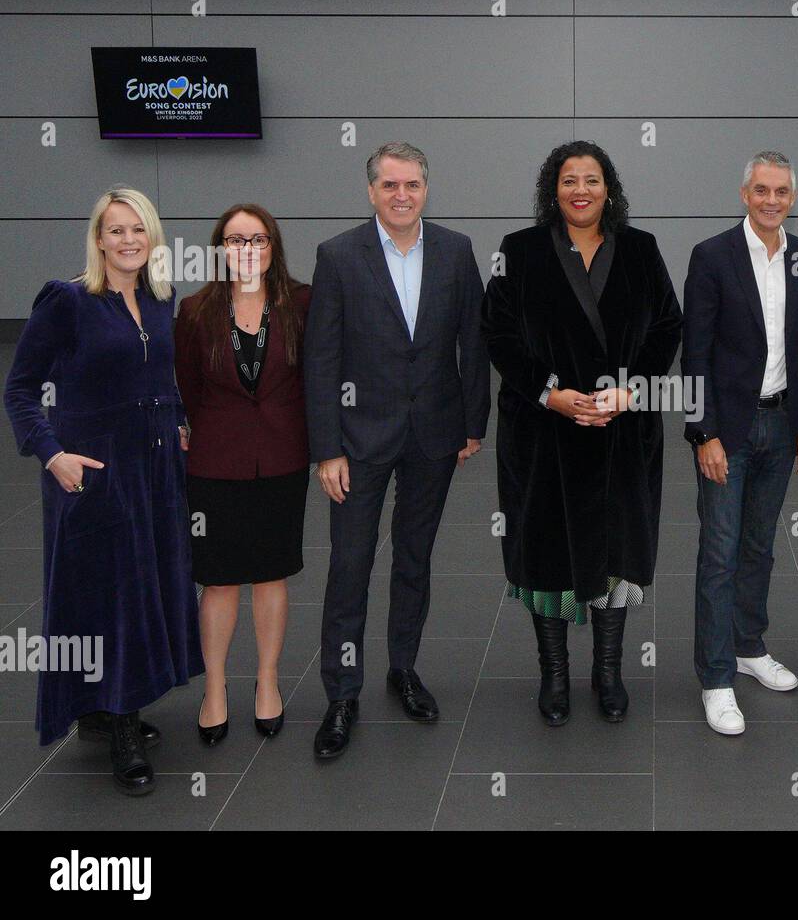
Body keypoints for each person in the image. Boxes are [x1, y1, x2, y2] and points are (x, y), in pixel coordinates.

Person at [3, 187, 202, 795]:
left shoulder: (161, 298)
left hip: (154, 472)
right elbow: (20, 390)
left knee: (144, 585)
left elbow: (163, 376)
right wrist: (52, 455)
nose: (128, 240)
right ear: (98, 238)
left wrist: (180, 420)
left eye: (138, 229)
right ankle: (122, 725)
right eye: (116, 230)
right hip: (91, 472)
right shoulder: (66, 301)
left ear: (152, 236)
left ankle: (101, 706)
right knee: (114, 595)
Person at [482, 140, 682, 726]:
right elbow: (498, 332)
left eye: (591, 180)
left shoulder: (641, 249)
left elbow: (667, 325)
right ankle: (553, 673)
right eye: (569, 180)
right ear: (554, 189)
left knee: (618, 548)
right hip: (544, 433)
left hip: (623, 430)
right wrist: (551, 393)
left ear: (608, 189)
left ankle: (608, 671)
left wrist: (630, 391)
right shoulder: (518, 250)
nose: (580, 190)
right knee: (545, 549)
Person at [304, 142, 490, 758]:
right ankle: (342, 693)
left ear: (426, 189)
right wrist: (326, 449)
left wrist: (472, 422)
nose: (401, 195)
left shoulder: (456, 250)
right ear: (371, 191)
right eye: (390, 185)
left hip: (433, 435)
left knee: (414, 558)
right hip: (358, 441)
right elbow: (321, 359)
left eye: (411, 184)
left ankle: (403, 670)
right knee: (350, 566)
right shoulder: (338, 256)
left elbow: (473, 342)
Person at [681, 151, 798, 736]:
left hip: (782, 425)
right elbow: (694, 352)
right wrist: (703, 432)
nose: (771, 200)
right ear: (744, 194)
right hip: (728, 431)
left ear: (792, 197)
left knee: (760, 547)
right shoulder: (712, 255)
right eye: (761, 190)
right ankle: (716, 678)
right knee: (720, 553)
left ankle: (748, 646)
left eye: (781, 191)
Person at [174, 203, 312, 744]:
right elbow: (189, 385)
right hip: (215, 462)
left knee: (272, 574)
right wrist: (205, 431)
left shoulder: (301, 303)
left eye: (258, 239)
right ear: (220, 249)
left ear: (273, 247)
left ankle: (268, 681)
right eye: (236, 240)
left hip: (282, 458)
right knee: (220, 579)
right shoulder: (195, 311)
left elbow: (313, 377)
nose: (247, 249)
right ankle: (214, 688)